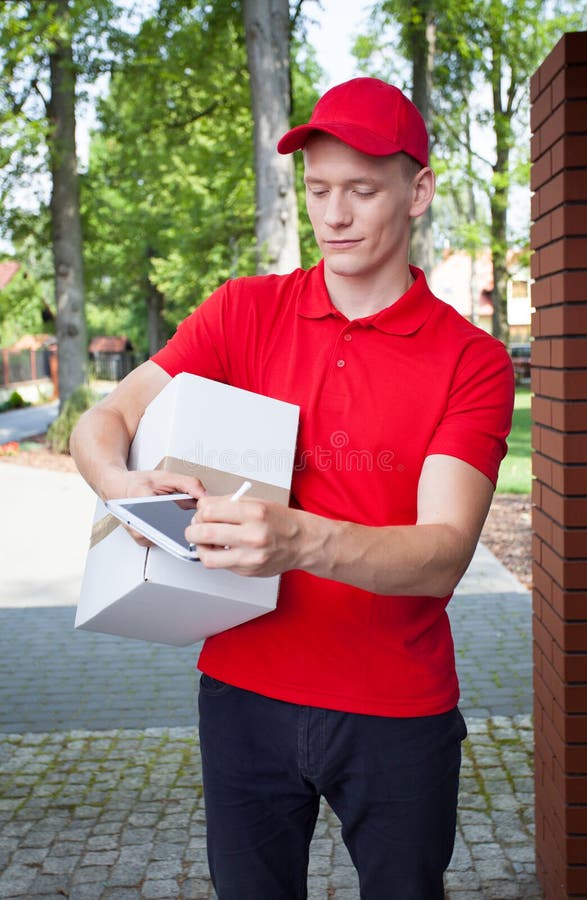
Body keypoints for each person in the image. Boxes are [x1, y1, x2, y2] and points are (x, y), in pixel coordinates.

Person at [71, 77, 514, 900]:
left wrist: (299, 537)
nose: (333, 216)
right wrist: (123, 487)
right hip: (242, 691)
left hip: (397, 708)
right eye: (316, 190)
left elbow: (442, 555)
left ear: (417, 192)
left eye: (359, 190)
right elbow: (102, 421)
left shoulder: (470, 360)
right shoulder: (243, 313)